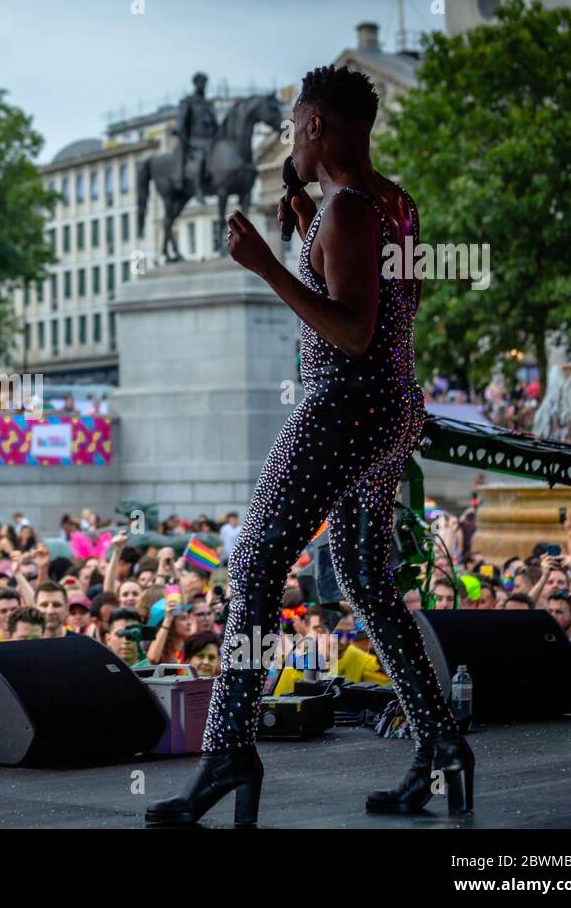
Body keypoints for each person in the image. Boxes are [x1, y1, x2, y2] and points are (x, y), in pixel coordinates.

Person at [148, 65, 470, 828]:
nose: (288, 138)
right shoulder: (397, 203)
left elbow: (353, 331)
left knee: (255, 559)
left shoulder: (351, 210)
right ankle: (440, 741)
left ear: (318, 128)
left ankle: (228, 747)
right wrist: (309, 234)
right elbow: (399, 310)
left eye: (294, 126)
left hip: (342, 408)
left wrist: (267, 267)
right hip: (395, 407)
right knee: (364, 578)